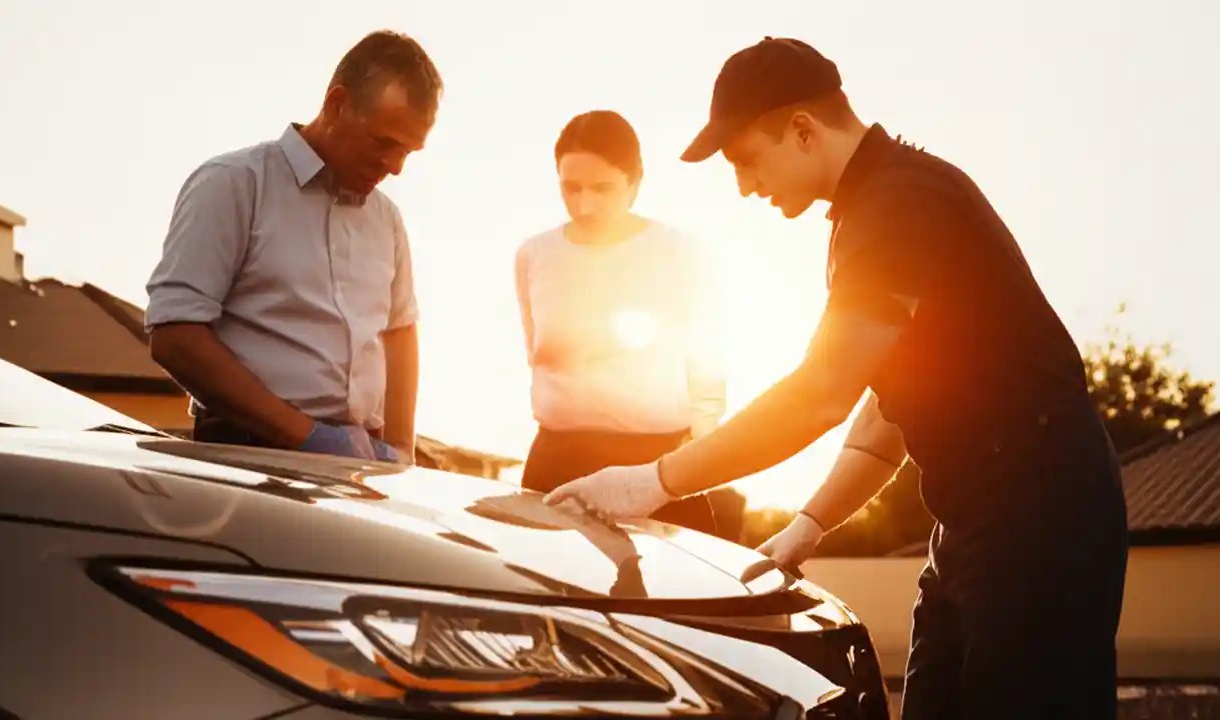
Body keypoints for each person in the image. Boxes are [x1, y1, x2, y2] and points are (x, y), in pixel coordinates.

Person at [545, 38, 1128, 719]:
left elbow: (824, 390)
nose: (744, 186)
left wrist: (653, 481)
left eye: (745, 160)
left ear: (801, 130)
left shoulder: (900, 201)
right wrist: (811, 523)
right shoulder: (870, 210)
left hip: (1040, 514)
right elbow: (888, 411)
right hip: (971, 520)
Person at [144, 30, 441, 464]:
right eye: (384, 143)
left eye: (409, 153)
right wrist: (305, 436)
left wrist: (401, 450)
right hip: (249, 458)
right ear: (338, 104)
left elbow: (400, 331)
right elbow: (175, 335)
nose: (395, 167)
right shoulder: (233, 184)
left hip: (362, 464)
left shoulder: (388, 220)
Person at [515, 110, 727, 534]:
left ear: (636, 182)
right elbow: (535, 355)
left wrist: (695, 459)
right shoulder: (533, 255)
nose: (584, 204)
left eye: (602, 188)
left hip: (658, 465)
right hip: (556, 463)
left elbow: (708, 368)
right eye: (570, 188)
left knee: (673, 598)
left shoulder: (678, 251)